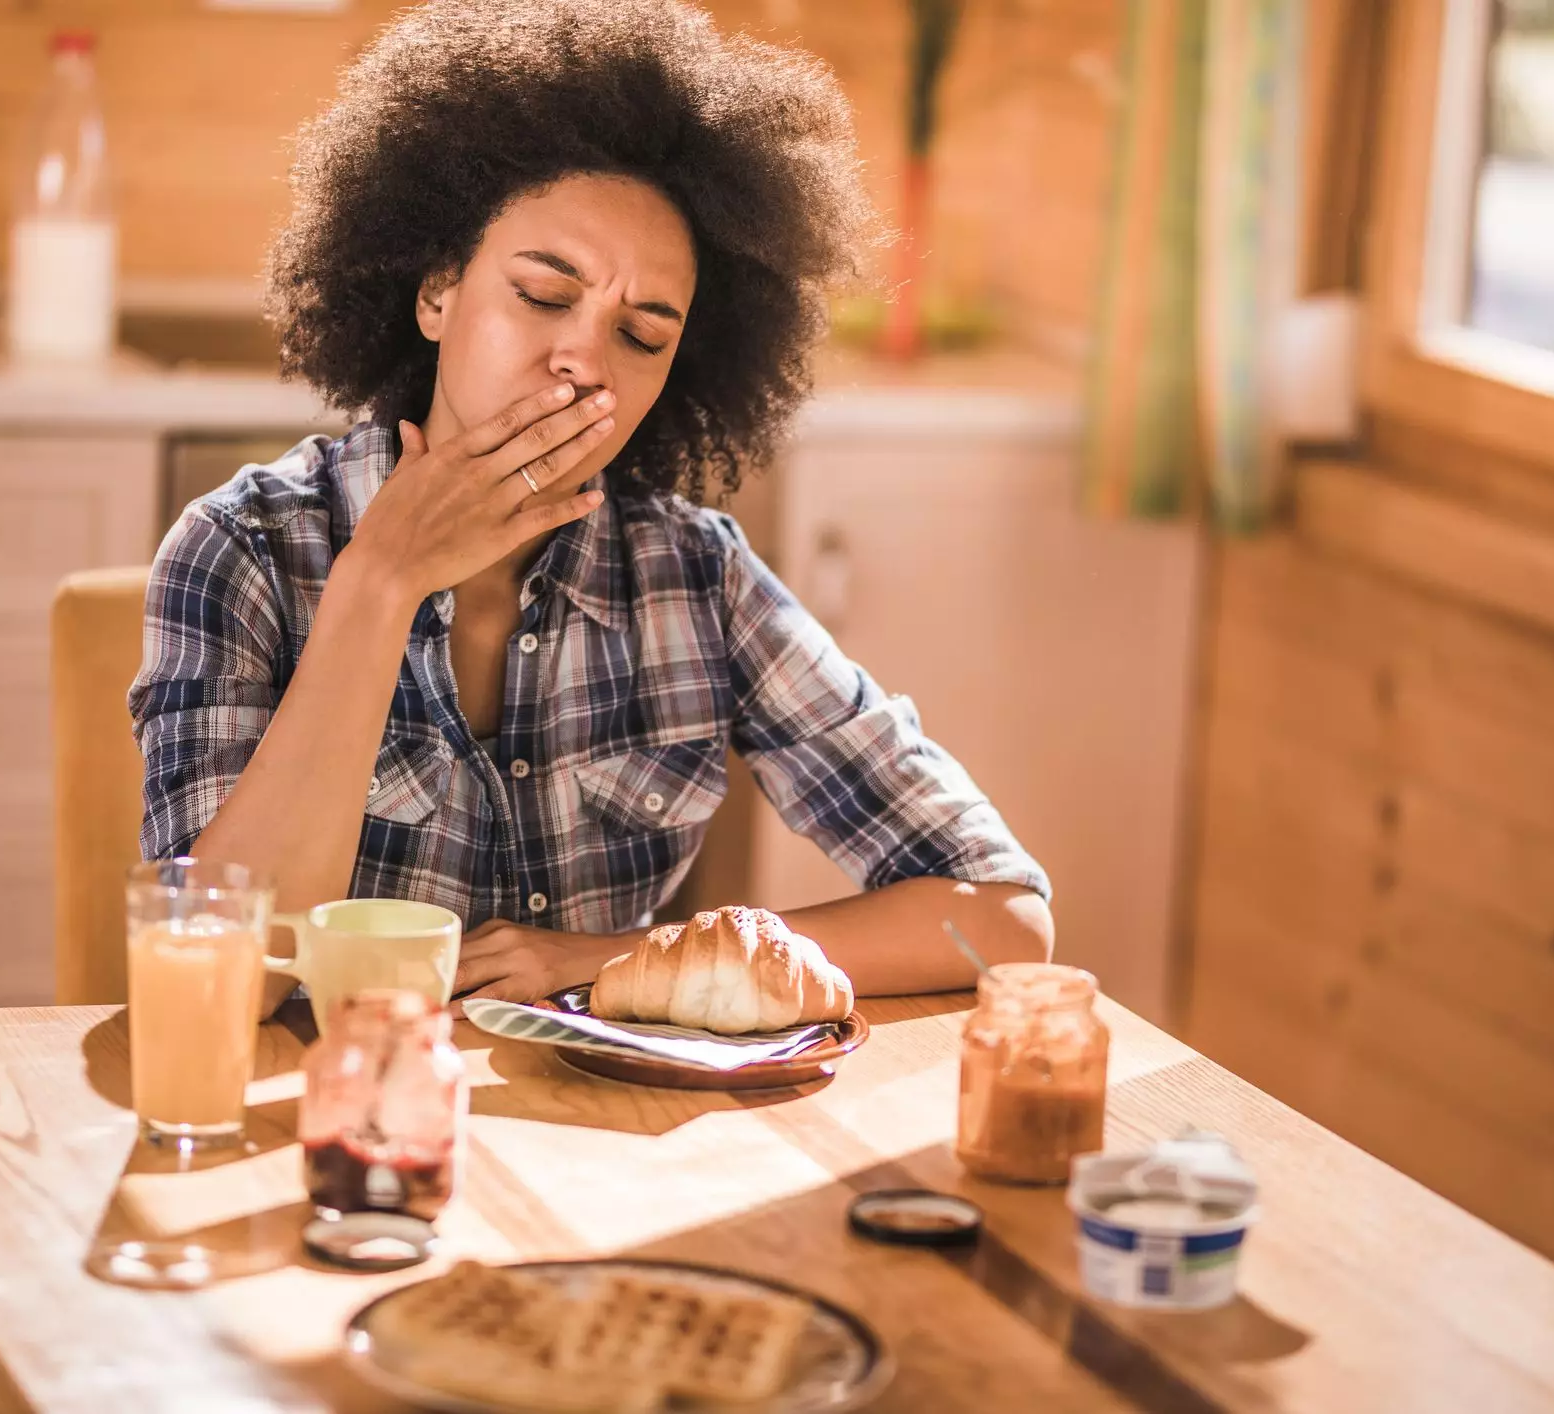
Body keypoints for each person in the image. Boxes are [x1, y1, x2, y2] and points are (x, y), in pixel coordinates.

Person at [131, 0, 1052, 1016]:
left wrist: (620, 955)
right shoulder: (243, 549)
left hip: (589, 1152)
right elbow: (211, 990)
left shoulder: (694, 575)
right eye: (543, 293)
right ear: (439, 291)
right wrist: (380, 582)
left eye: (643, 334)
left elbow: (1000, 915)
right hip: (311, 1136)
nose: (584, 359)